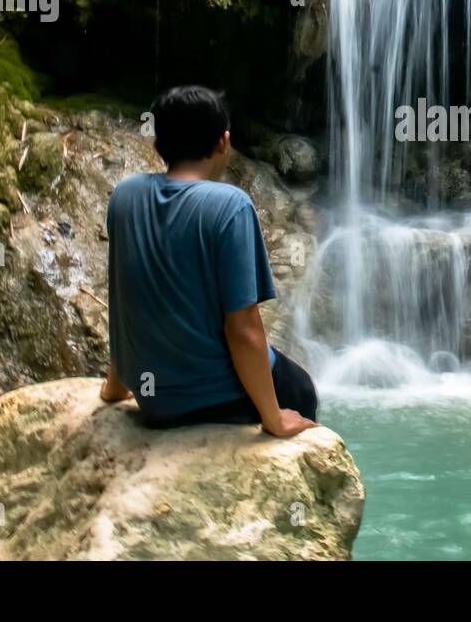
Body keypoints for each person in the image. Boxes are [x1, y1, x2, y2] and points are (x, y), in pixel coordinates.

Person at [99, 85, 318, 438]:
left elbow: (127, 294)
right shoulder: (229, 206)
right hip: (207, 400)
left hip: (152, 395)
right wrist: (273, 417)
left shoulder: (125, 195)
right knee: (301, 388)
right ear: (223, 141)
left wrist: (117, 385)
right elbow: (243, 328)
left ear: (158, 143)